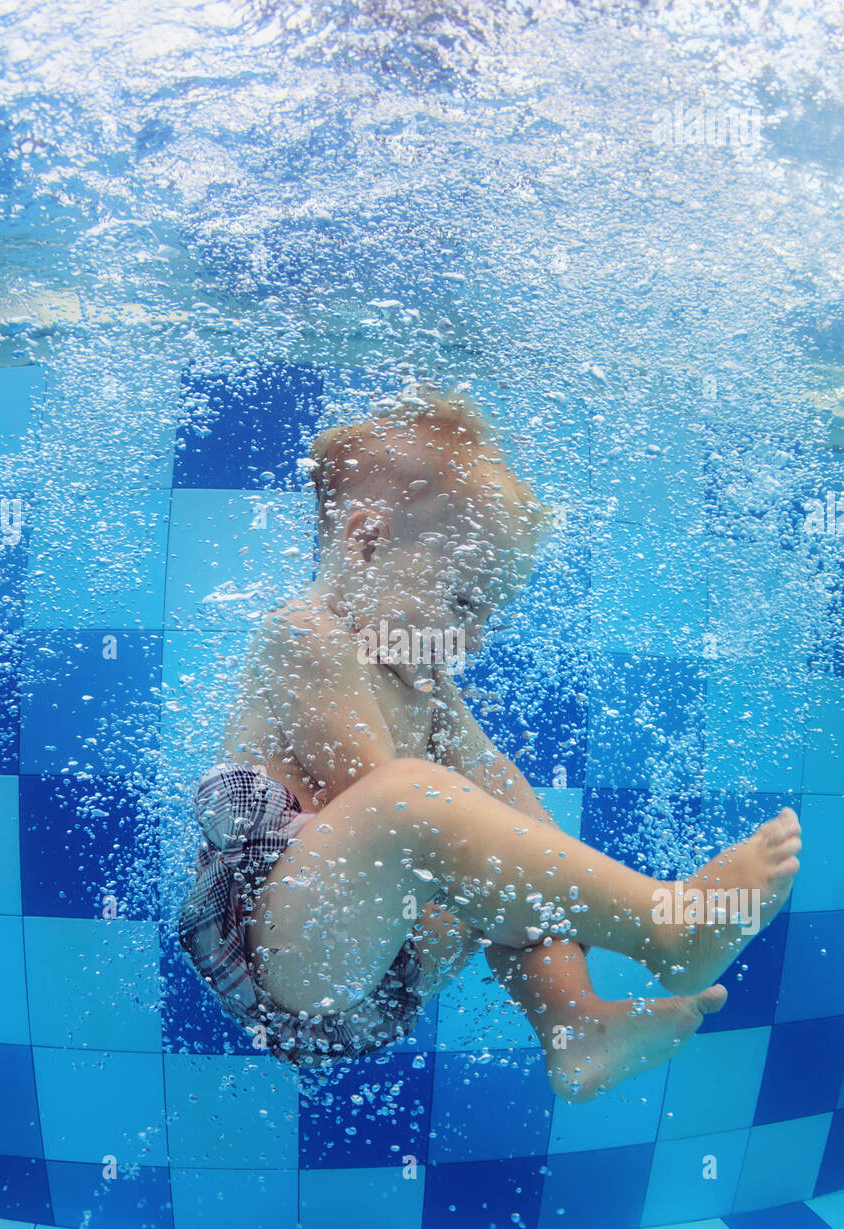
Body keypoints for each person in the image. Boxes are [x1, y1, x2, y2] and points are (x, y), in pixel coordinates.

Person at [179, 390, 801, 1100]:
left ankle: (575, 1026)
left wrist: (538, 867)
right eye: (465, 604)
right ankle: (666, 925)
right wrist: (494, 859)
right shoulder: (308, 637)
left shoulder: (425, 682)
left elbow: (499, 804)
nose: (472, 639)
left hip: (382, 970)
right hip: (281, 953)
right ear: (365, 541)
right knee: (419, 800)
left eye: (487, 618)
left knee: (512, 831)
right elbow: (381, 804)